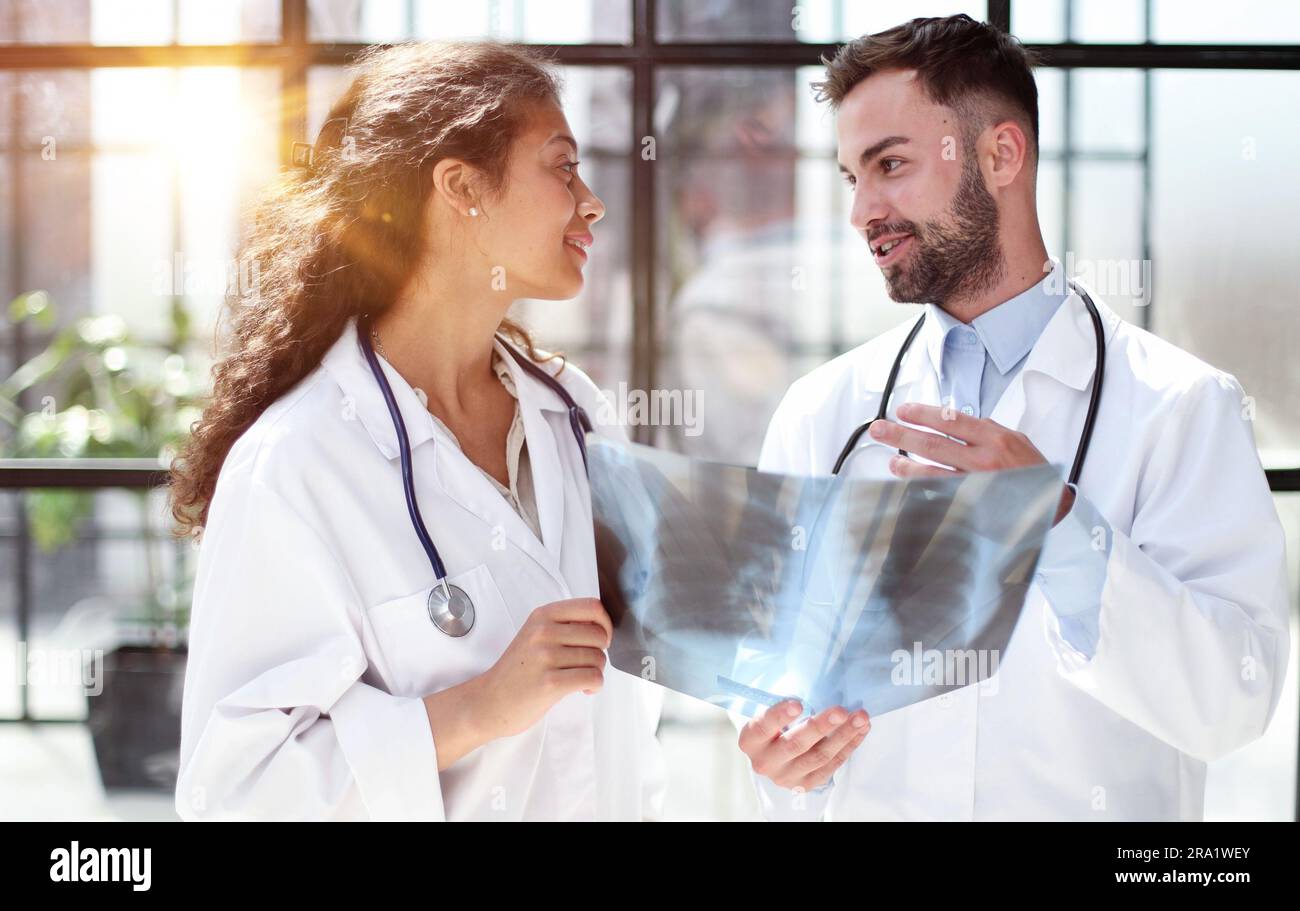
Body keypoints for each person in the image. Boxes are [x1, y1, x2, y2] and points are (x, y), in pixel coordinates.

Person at [737, 14, 1289, 820]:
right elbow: (764, 684)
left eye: (890, 164)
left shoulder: (1181, 406)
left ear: (1001, 155)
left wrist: (1057, 522)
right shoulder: (824, 412)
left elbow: (1234, 700)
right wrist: (782, 754)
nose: (862, 211)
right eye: (853, 176)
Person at [169, 41, 664, 821]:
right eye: (562, 167)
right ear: (462, 186)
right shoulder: (297, 461)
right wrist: (475, 709)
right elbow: (235, 792)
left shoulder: (576, 413)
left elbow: (631, 694)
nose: (591, 200)